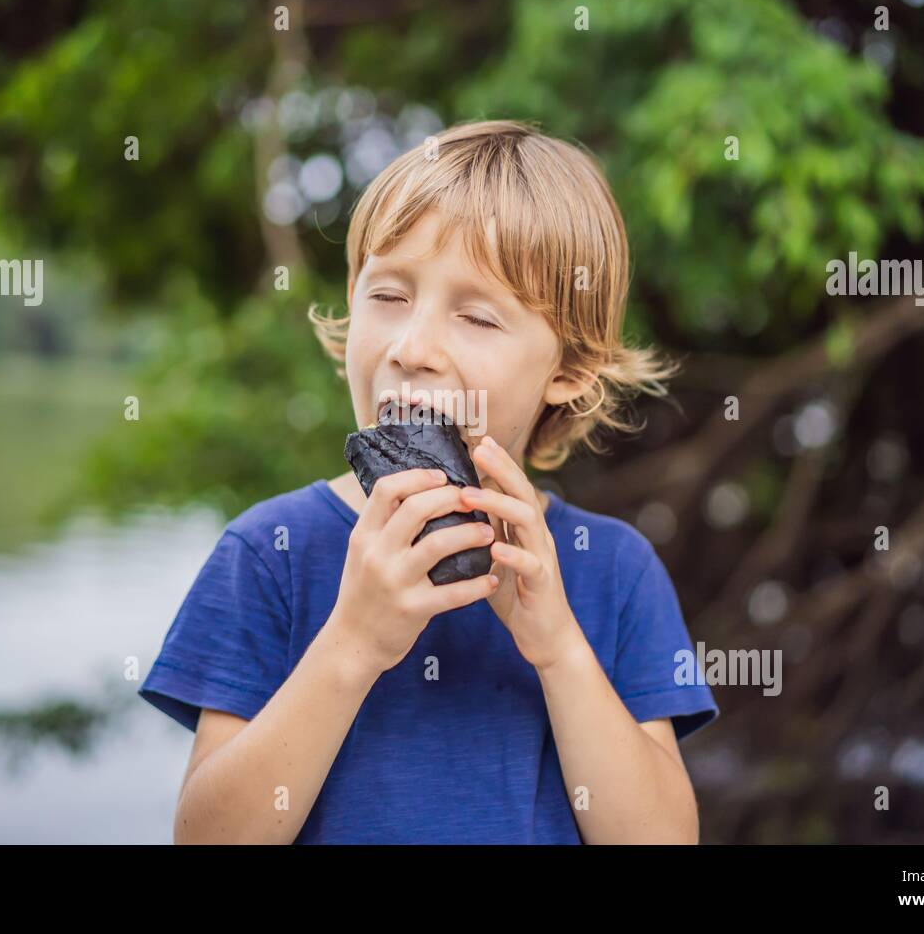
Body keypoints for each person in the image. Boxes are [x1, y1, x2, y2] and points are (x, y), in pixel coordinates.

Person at [139, 120, 719, 843]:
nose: (414, 350)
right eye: (388, 297)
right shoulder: (270, 554)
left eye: (477, 316)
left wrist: (559, 648)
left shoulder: (614, 572)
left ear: (568, 372)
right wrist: (352, 643)